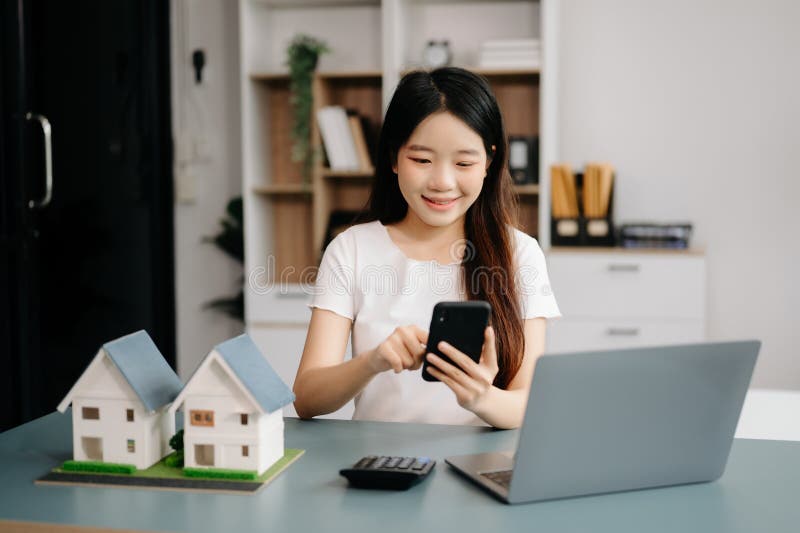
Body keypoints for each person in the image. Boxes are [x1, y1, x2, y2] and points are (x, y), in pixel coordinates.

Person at [292, 67, 560, 429]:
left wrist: (481, 398)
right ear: (393, 158)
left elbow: (531, 403)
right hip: (381, 469)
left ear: (489, 163)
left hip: (477, 472)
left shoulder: (520, 255)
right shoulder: (351, 250)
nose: (442, 182)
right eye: (421, 160)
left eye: (464, 162)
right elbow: (307, 398)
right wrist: (372, 362)